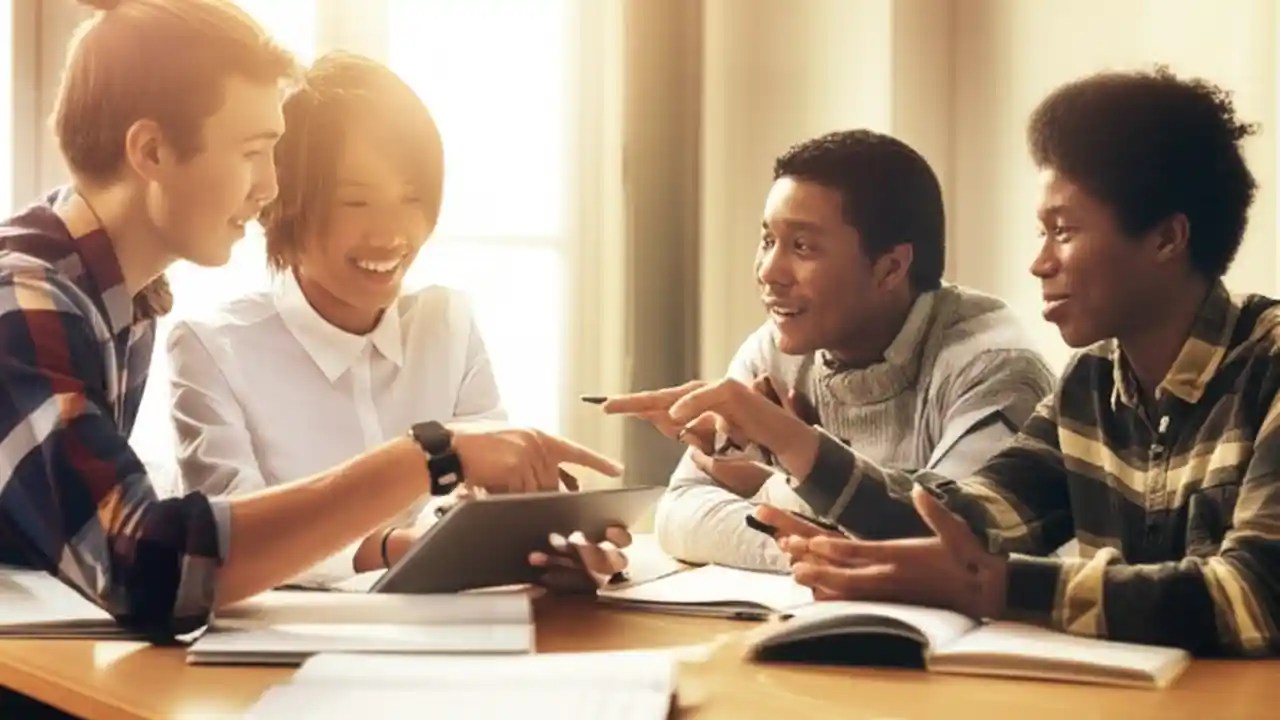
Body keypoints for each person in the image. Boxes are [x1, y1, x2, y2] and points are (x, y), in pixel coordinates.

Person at [0, 0, 621, 639]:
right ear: (152, 150)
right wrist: (428, 456)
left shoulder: (117, 296)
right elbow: (149, 571)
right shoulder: (23, 299)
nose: (271, 188)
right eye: (253, 152)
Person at [618, 69, 1280, 656]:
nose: (1039, 261)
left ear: (1167, 237)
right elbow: (969, 518)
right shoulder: (1093, 382)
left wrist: (997, 584)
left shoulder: (1267, 367)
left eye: (1064, 230)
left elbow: (1249, 597)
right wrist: (794, 447)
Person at [168, 51, 622, 588]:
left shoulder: (447, 322)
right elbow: (232, 545)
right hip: (283, 653)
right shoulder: (210, 348)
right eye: (355, 202)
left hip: (453, 639)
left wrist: (550, 537)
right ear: (280, 203)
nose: (390, 234)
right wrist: (384, 550)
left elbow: (479, 504)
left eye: (412, 198)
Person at [606, 129, 1054, 570]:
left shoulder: (993, 366)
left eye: (802, 246)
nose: (769, 271)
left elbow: (955, 548)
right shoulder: (775, 350)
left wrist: (782, 480)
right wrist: (822, 544)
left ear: (890, 268)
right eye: (767, 241)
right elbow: (680, 514)